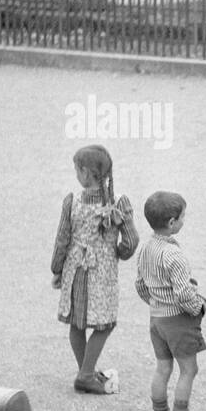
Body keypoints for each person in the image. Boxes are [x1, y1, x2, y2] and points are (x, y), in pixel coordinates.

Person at [50, 144, 139, 395]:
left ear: (87, 173)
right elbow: (131, 241)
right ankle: (86, 374)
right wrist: (117, 253)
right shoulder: (119, 202)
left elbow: (62, 238)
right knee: (105, 324)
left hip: (75, 269)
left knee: (77, 324)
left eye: (77, 170)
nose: (76, 174)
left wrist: (57, 269)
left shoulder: (72, 201)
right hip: (102, 273)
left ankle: (85, 371)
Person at [135, 191, 206, 411]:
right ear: (171, 222)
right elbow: (183, 292)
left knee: (162, 368)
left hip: (156, 318)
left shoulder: (145, 249)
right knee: (188, 369)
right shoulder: (173, 255)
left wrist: (154, 302)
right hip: (178, 319)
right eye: (183, 217)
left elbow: (140, 284)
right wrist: (198, 306)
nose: (184, 220)